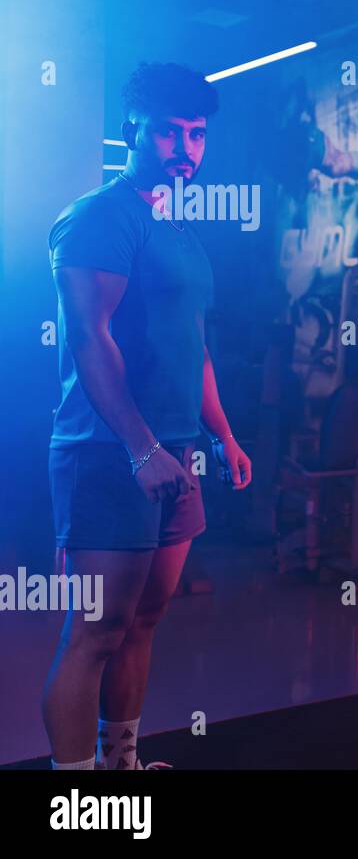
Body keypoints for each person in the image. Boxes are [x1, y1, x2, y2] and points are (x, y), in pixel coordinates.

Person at [43, 62, 252, 770]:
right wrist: (139, 449)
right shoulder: (101, 216)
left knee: (144, 623)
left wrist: (221, 434)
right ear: (133, 130)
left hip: (179, 453)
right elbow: (88, 336)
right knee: (97, 632)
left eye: (196, 135)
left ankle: (121, 772)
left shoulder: (181, 231)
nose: (185, 149)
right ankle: (76, 809)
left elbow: (193, 350)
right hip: (108, 455)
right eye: (169, 132)